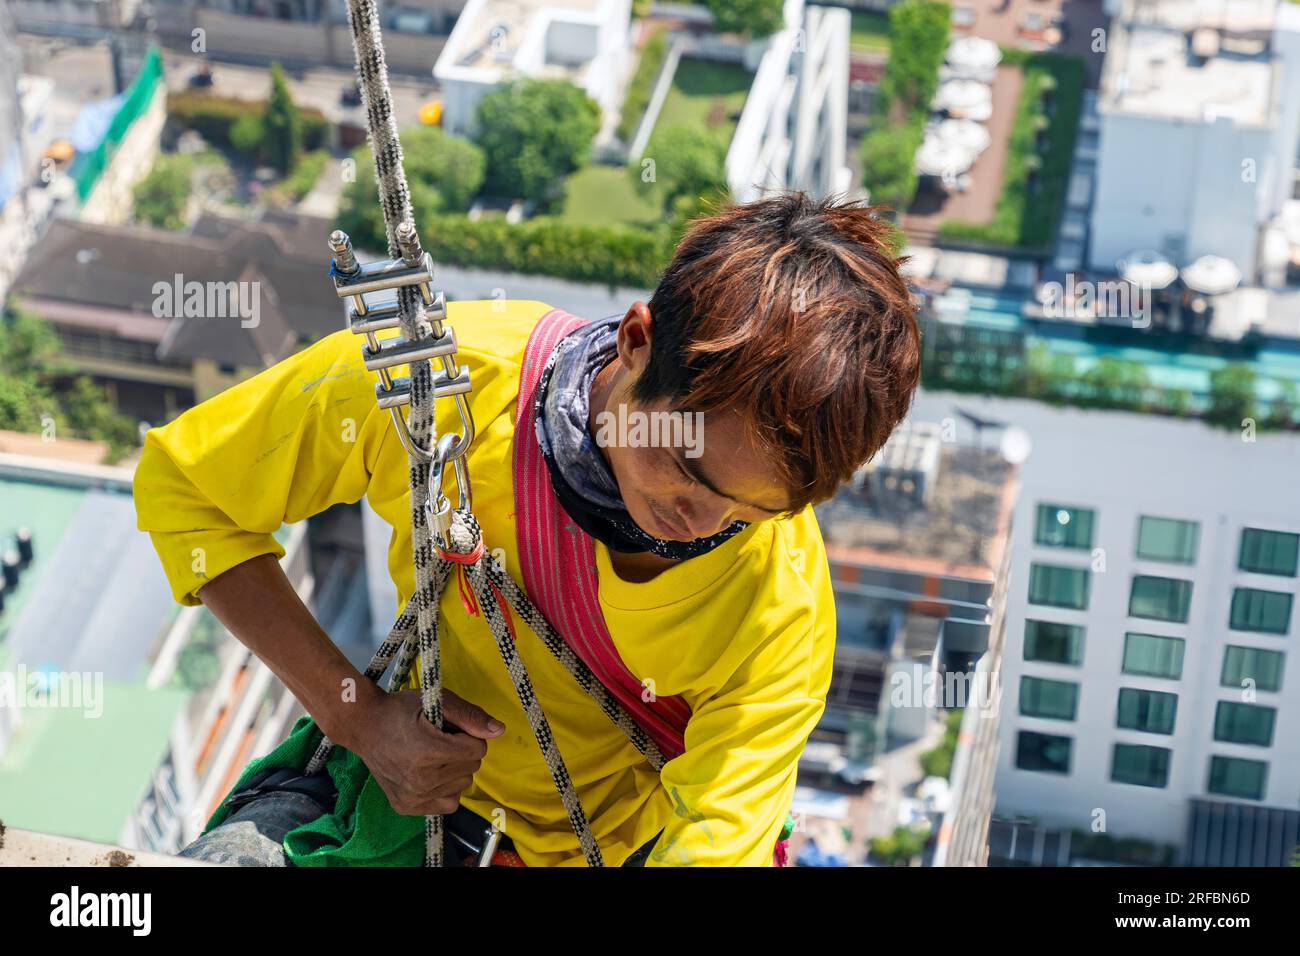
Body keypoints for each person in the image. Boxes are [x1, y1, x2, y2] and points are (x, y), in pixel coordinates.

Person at [133, 191, 921, 866]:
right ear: (637, 342)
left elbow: (713, 840)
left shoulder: (778, 605)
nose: (699, 525)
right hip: (404, 798)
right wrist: (355, 716)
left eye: (749, 514)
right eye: (688, 470)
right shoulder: (446, 385)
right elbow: (188, 489)